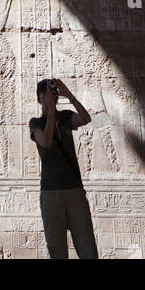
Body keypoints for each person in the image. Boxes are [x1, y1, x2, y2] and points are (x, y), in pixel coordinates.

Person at [30, 77, 98, 259]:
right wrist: (51, 114)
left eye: (53, 93)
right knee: (57, 248)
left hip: (74, 188)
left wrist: (69, 95)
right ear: (39, 98)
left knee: (87, 246)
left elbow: (86, 118)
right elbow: (45, 142)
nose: (51, 96)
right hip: (51, 191)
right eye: (46, 93)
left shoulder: (66, 116)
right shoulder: (36, 122)